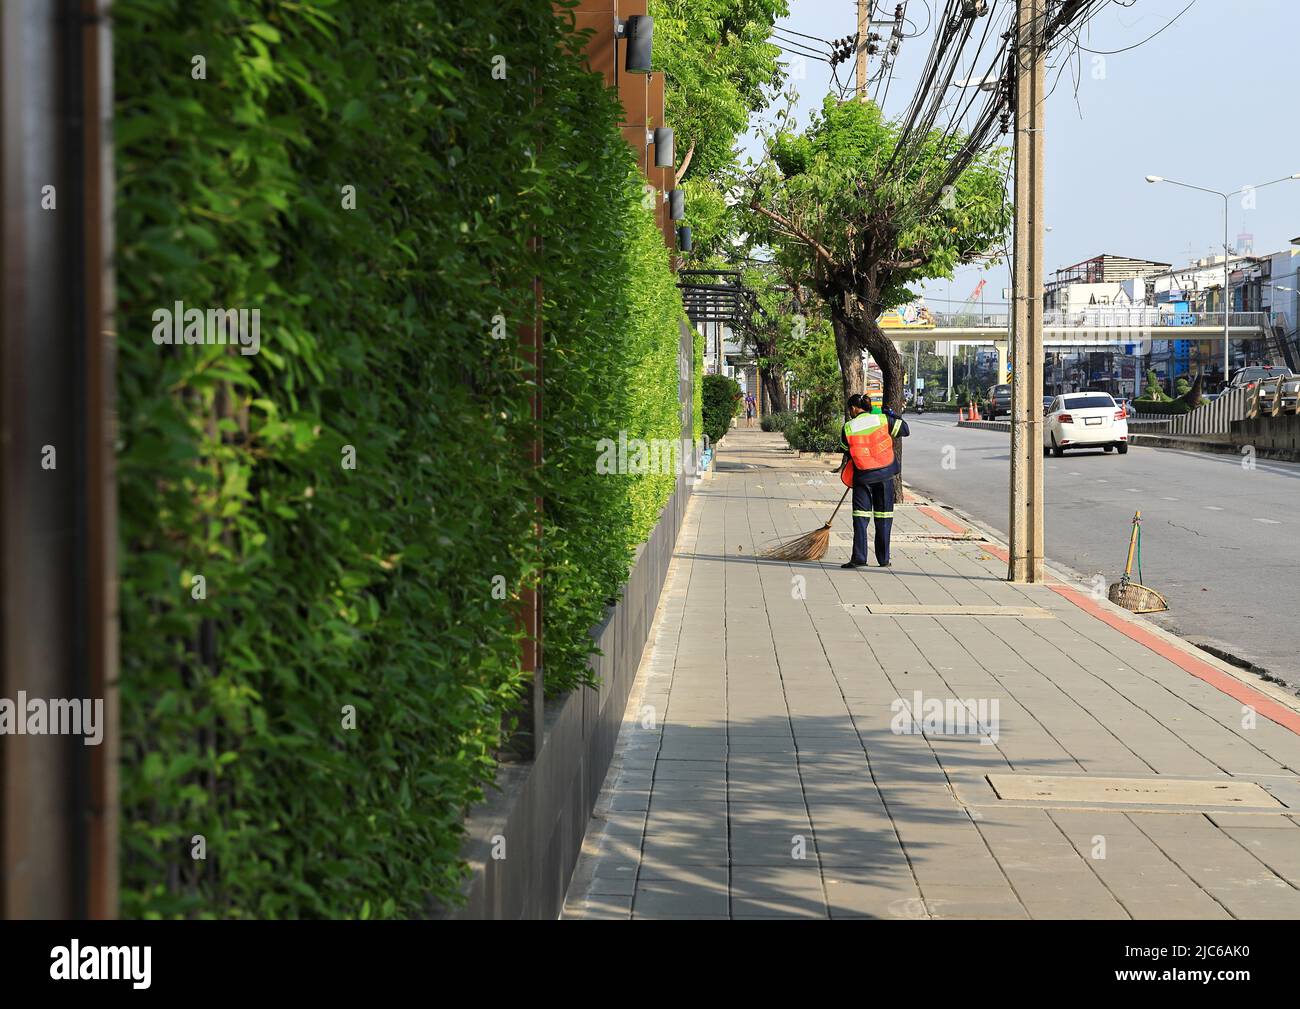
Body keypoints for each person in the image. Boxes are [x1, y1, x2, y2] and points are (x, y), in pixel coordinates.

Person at [839, 393, 909, 569]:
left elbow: (846, 450)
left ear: (854, 408)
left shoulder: (848, 427)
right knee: (883, 517)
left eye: (850, 409)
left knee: (860, 518)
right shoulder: (883, 419)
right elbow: (905, 430)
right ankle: (883, 559)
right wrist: (892, 414)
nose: (850, 412)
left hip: (863, 477)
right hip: (885, 475)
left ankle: (859, 558)